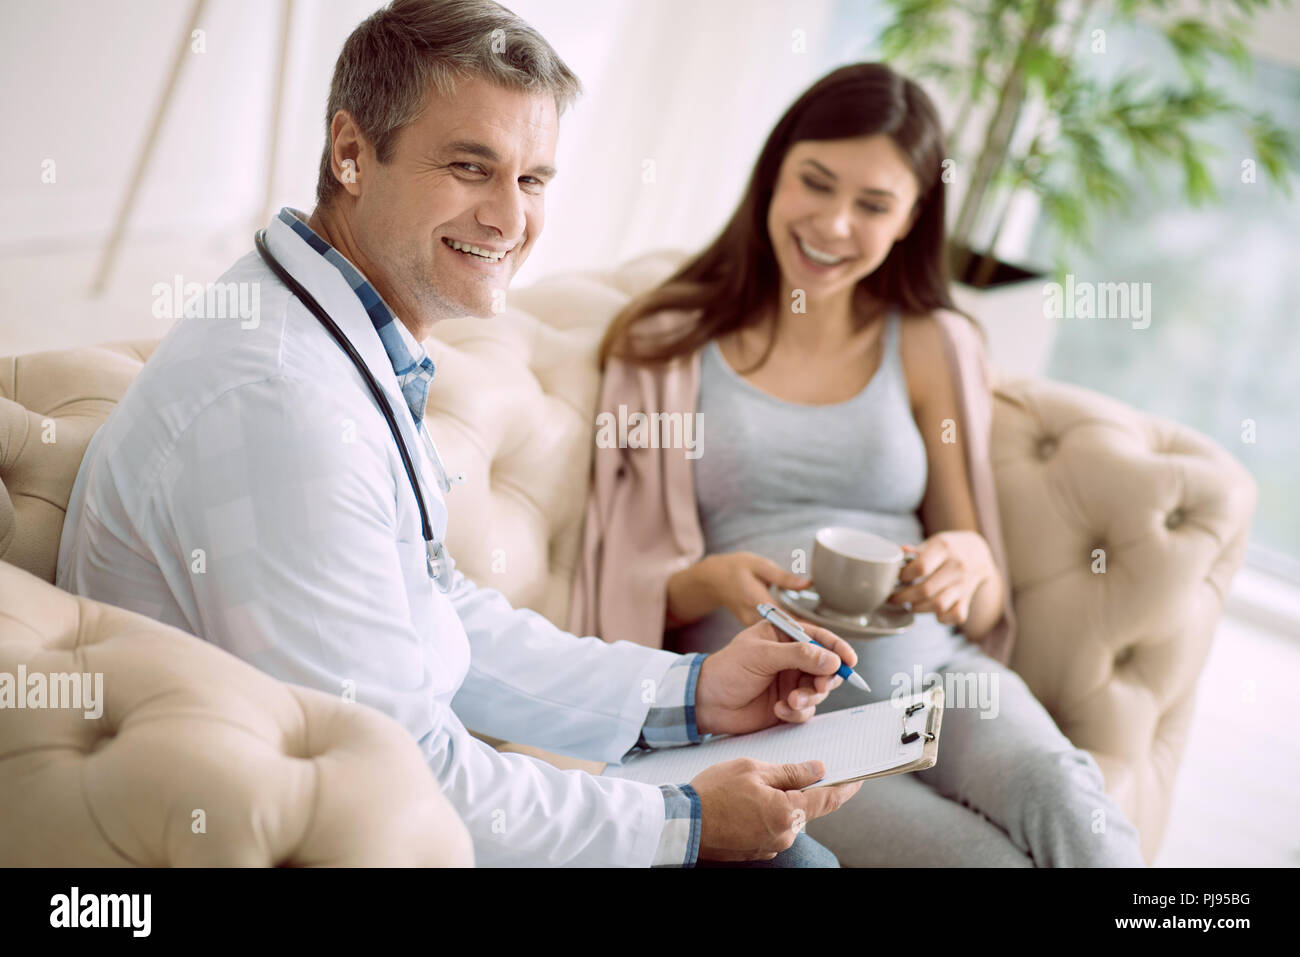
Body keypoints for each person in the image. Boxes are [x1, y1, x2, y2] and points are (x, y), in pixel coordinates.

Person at [55, 0, 866, 867]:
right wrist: (684, 821)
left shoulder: (338, 332)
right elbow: (398, 784)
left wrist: (692, 691)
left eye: (532, 180)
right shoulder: (282, 402)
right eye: (470, 167)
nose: (508, 220)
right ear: (351, 153)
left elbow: (433, 614)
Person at [573, 62, 1146, 867]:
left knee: (1065, 796)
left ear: (912, 218)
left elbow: (980, 601)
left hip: (938, 678)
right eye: (816, 183)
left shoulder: (931, 342)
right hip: (781, 717)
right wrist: (712, 580)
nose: (835, 224)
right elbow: (620, 590)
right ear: (773, 174)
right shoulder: (666, 344)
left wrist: (967, 560)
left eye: (874, 205)